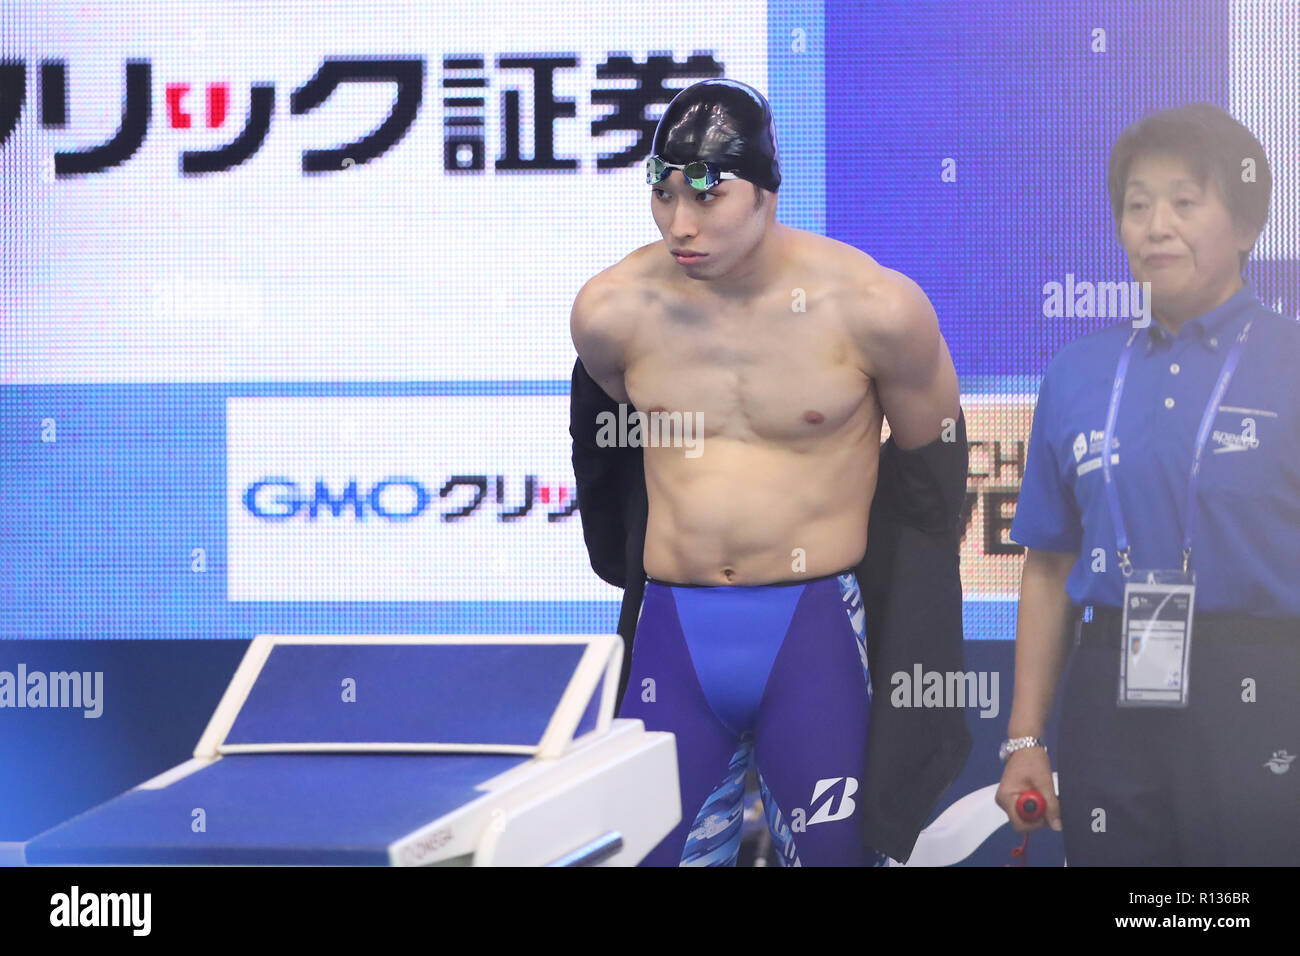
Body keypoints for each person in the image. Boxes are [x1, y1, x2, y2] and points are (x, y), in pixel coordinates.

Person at [569, 78, 970, 866]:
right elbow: (607, 465)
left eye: (708, 196)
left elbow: (933, 482)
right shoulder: (613, 312)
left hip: (813, 634)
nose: (681, 225)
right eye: (663, 194)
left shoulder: (874, 310)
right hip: (675, 637)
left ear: (765, 191)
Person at [997, 103, 1300, 865]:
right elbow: (1048, 567)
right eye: (1137, 206)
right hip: (1111, 684)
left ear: (1246, 226)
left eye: (1184, 202)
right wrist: (1026, 738)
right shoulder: (1076, 373)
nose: (1156, 225)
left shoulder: (1290, 362)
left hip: (1263, 682)